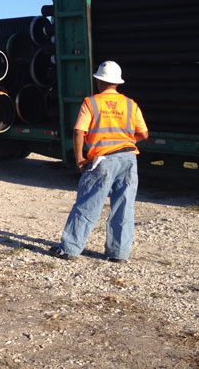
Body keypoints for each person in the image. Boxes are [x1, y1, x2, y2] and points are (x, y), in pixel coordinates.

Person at [50, 60, 148, 263]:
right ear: (116, 82)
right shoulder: (131, 104)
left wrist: (79, 158)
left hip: (103, 159)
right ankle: (118, 254)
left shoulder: (91, 102)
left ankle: (69, 250)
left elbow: (79, 131)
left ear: (99, 81)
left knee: (88, 204)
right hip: (129, 159)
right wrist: (125, 141)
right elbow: (144, 134)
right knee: (124, 207)